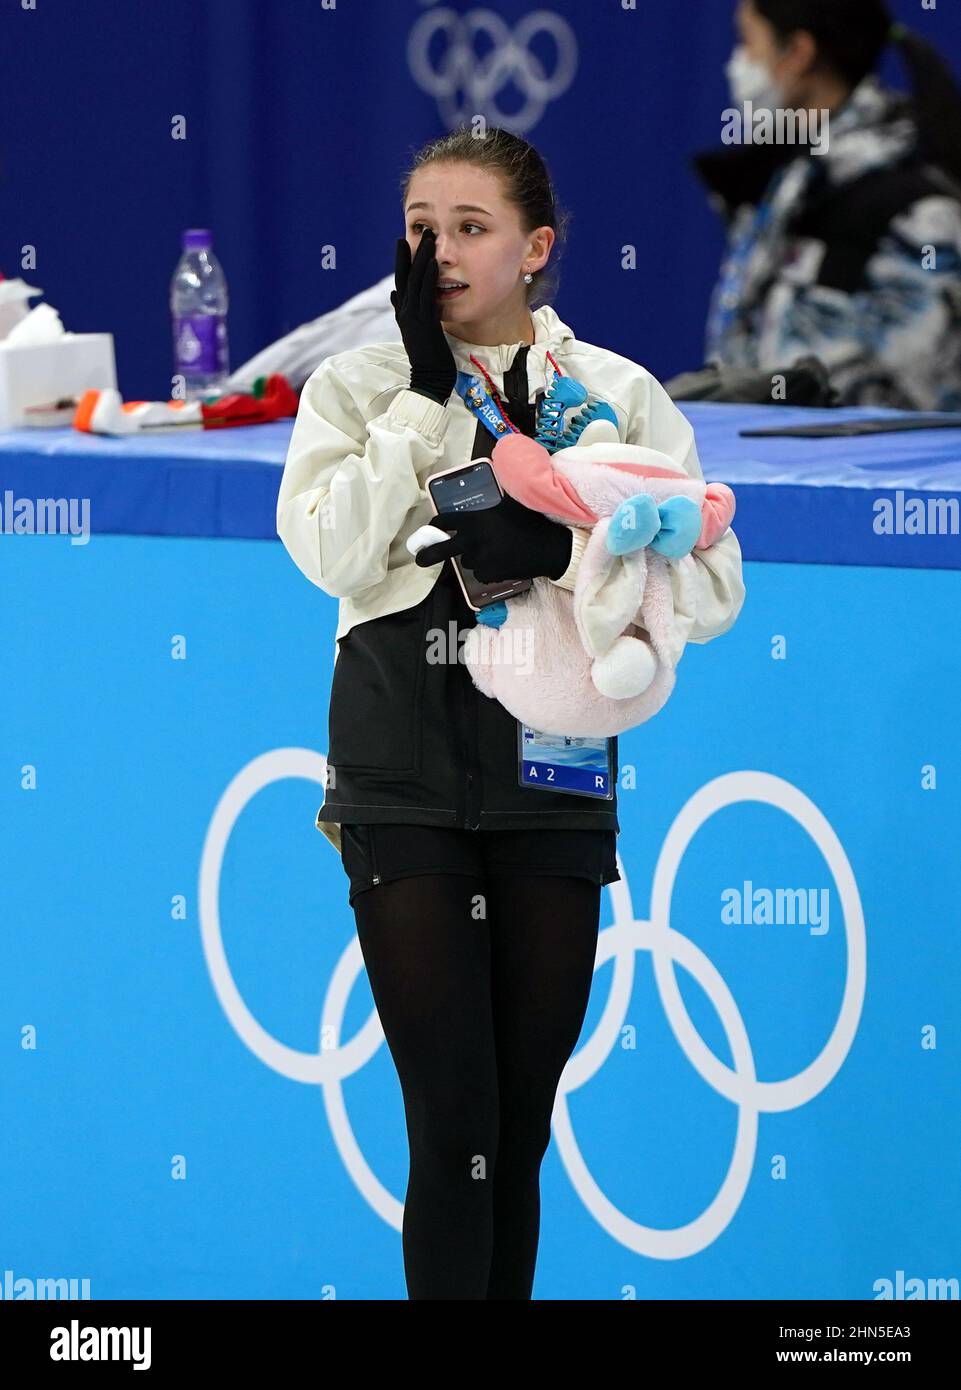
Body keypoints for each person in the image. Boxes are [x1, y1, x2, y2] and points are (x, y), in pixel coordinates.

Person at [275, 127, 745, 1300]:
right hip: (401, 759)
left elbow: (722, 586)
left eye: (470, 227)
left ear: (535, 249)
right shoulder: (358, 384)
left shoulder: (619, 394)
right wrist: (428, 401)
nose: (438, 249)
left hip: (555, 766)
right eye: (421, 226)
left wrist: (587, 538)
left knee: (517, 1128)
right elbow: (330, 551)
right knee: (452, 1122)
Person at [695, 0, 961, 410]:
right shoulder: (787, 184)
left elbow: (929, 422)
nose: (737, 63)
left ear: (798, 54)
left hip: (842, 475)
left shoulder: (915, 211)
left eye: (748, 42)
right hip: (754, 469)